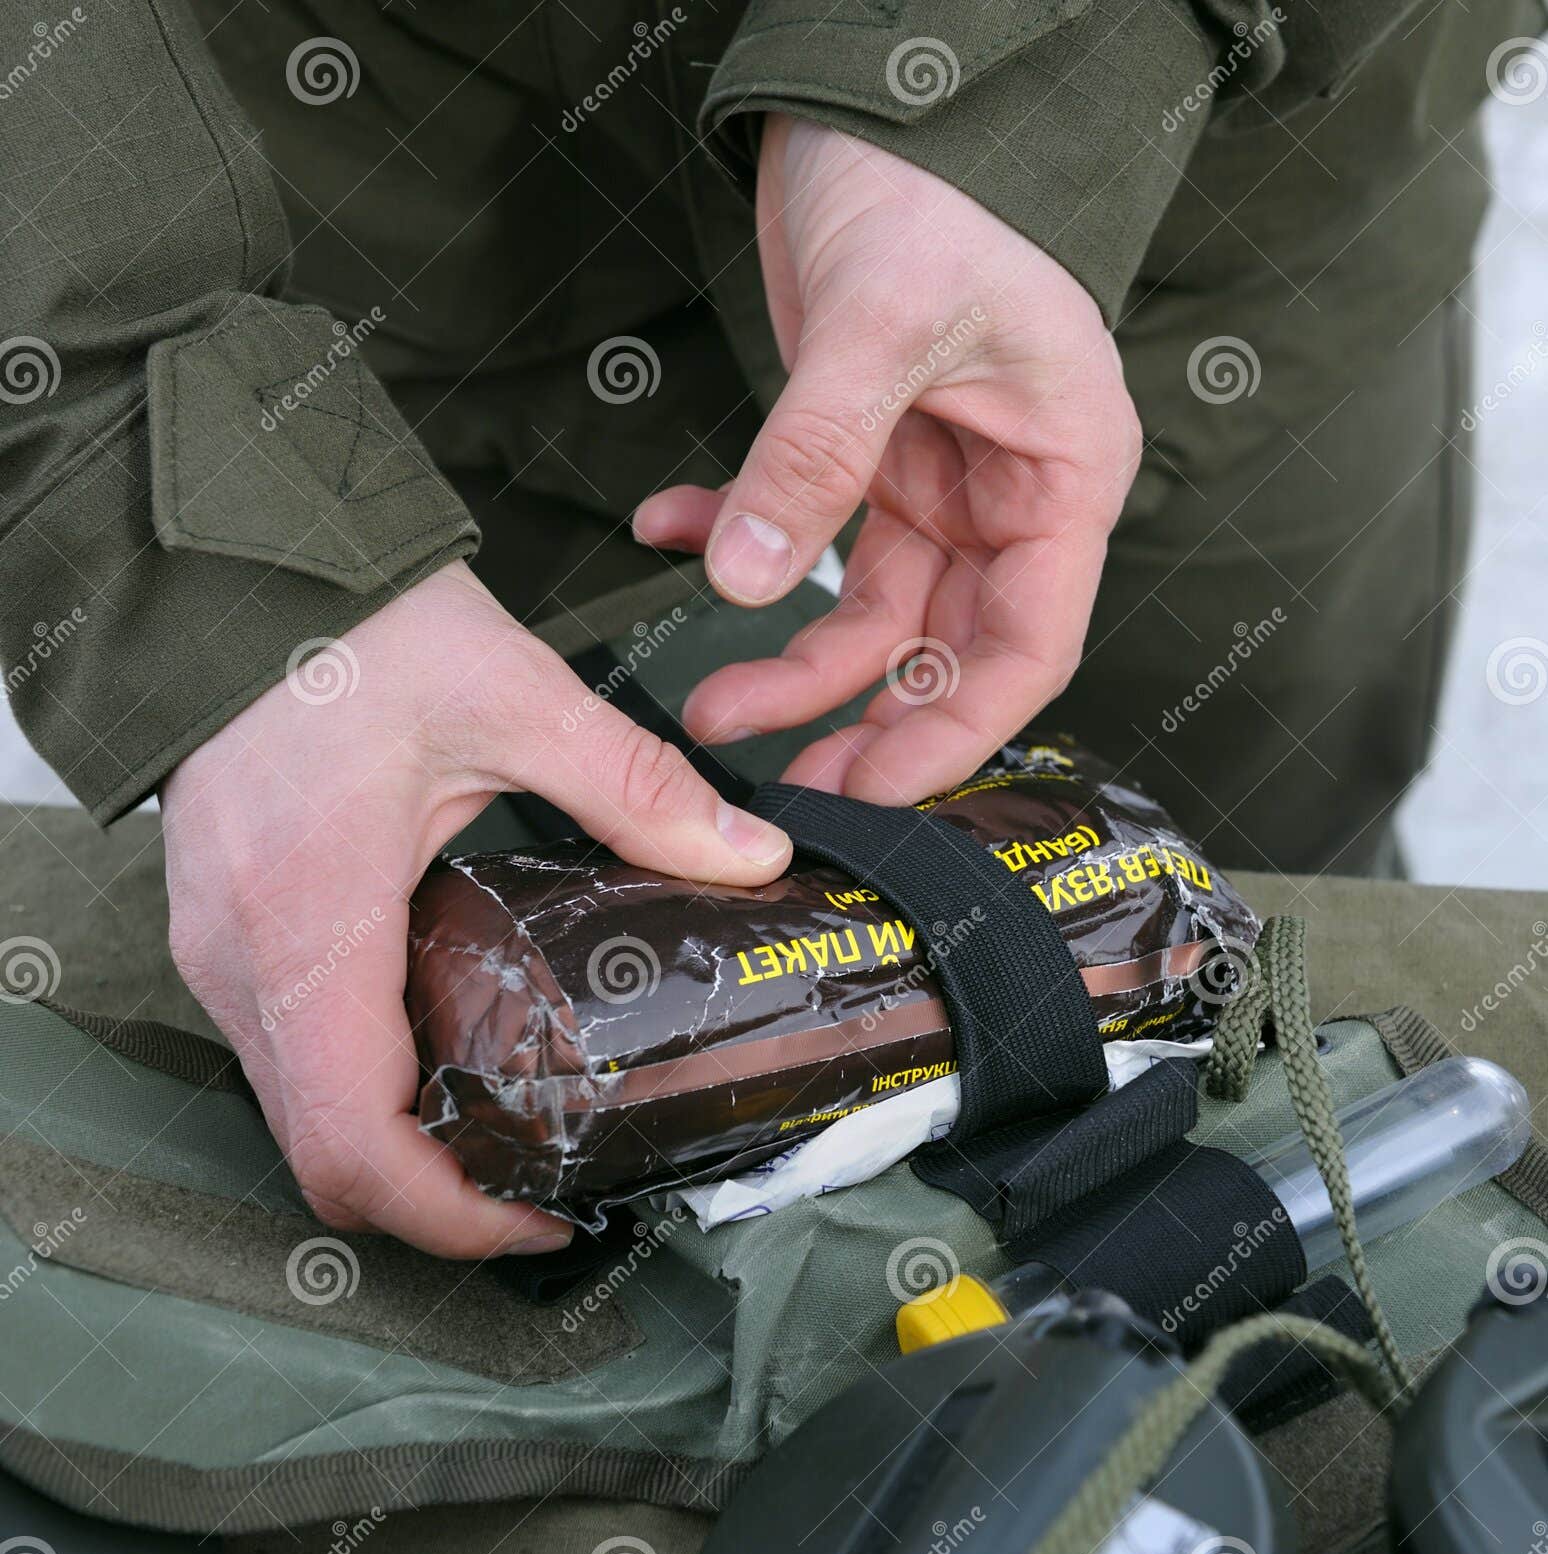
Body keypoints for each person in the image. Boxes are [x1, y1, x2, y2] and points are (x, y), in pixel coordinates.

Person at [0, 1, 1538, 1258]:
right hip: (381, 300)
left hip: (1193, 229)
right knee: (439, 1008)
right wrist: (168, 502)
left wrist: (1000, 91)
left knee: (1289, 946)